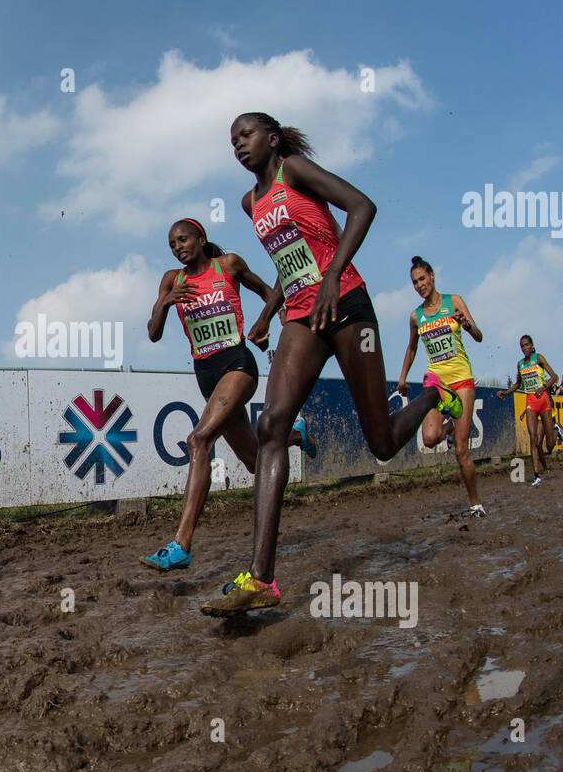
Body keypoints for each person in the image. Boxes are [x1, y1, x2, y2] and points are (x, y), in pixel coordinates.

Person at [199, 113, 461, 617]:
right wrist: (268, 312)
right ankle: (261, 579)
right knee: (272, 424)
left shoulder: (294, 170)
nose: (238, 145)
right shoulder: (250, 203)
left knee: (381, 445)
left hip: (347, 305)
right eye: (231, 140)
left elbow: (363, 206)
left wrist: (334, 274)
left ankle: (432, 394)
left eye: (246, 135)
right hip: (301, 313)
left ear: (271, 139)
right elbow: (288, 259)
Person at [139, 218, 312, 572]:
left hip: (237, 363)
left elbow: (268, 292)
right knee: (253, 460)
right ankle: (294, 434)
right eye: (172, 245)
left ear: (201, 239)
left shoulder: (228, 265)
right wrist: (166, 303)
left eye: (183, 240)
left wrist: (271, 324)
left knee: (199, 439)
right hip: (207, 375)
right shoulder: (172, 280)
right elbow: (153, 333)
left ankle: (181, 545)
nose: (178, 247)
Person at [396, 255, 485, 516]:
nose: (419, 285)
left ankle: (476, 504)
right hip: (436, 380)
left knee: (461, 450)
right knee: (430, 439)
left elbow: (478, 336)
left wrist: (466, 324)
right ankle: (450, 424)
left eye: (422, 279)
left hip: (461, 379)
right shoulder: (416, 316)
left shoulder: (453, 301)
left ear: (432, 276)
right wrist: (402, 378)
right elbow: (412, 348)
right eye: (414, 282)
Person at [496, 336, 559, 486]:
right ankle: (536, 474)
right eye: (522, 346)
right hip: (530, 400)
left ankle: (556, 430)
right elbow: (518, 384)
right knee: (533, 438)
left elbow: (554, 377)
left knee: (550, 445)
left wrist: (543, 387)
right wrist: (506, 393)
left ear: (532, 346)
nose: (524, 348)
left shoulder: (539, 358)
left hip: (543, 399)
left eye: (527, 345)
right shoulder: (520, 364)